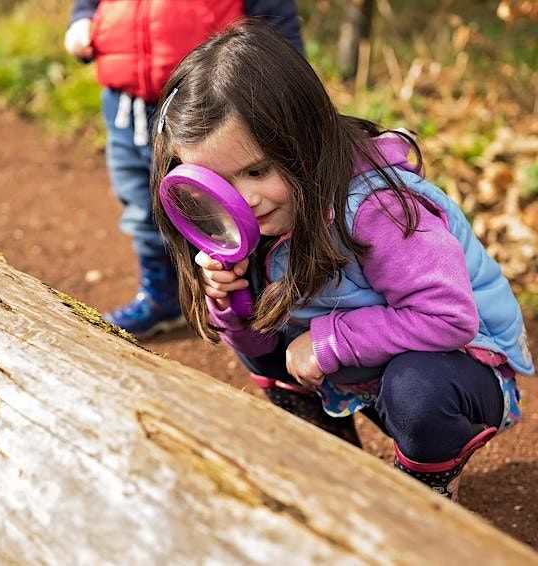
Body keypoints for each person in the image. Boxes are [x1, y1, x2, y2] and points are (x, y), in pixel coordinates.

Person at [151, 20, 535, 499]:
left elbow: (449, 319)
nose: (242, 199)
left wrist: (328, 341)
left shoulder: (377, 207)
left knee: (418, 390)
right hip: (363, 370)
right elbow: (255, 342)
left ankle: (428, 488)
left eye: (257, 170)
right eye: (218, 184)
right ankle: (334, 461)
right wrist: (229, 301)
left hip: (460, 367)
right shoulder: (257, 218)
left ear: (304, 139)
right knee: (260, 324)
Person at [64, 1, 304, 339]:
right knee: (140, 201)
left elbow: (275, 14)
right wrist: (82, 19)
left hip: (212, 108)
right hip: (124, 103)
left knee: (234, 203)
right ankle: (163, 294)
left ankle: (265, 299)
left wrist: (285, 87)